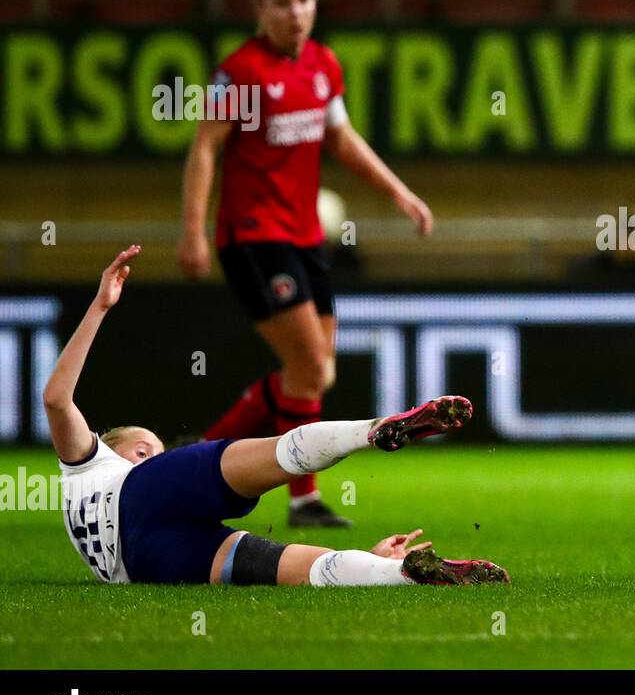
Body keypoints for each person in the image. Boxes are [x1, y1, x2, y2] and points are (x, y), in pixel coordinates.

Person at [50, 246, 507, 588]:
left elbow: (57, 402)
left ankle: (393, 575)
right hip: (145, 510)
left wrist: (374, 560)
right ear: (109, 448)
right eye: (144, 450)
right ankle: (372, 432)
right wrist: (100, 306)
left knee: (294, 566)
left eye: (154, 452)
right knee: (277, 453)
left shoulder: (86, 488)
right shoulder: (97, 467)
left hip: (148, 565)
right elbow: (56, 399)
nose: (152, 455)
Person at [179, 0, 434, 528]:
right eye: (282, 3)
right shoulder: (240, 72)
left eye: (304, 1)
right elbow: (204, 149)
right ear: (260, 10)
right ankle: (300, 500)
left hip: (304, 237)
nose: (295, 13)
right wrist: (193, 230)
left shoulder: (322, 64)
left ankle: (194, 461)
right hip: (253, 237)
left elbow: (341, 138)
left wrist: (399, 193)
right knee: (311, 367)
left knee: (313, 377)